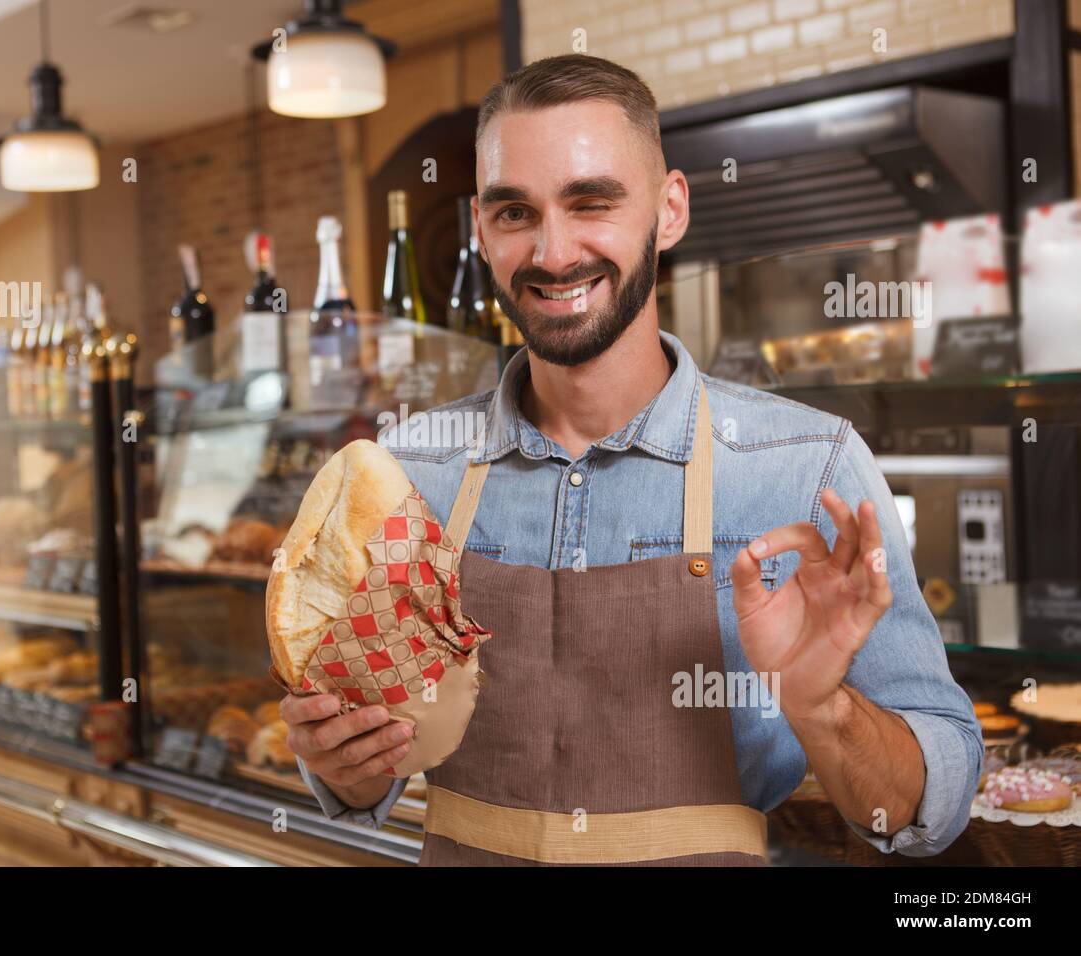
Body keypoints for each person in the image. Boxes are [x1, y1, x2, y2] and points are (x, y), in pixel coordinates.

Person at [281, 54, 981, 865]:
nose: (552, 251)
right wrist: (341, 761)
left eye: (591, 202)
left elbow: (926, 814)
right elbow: (374, 766)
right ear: (480, 227)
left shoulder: (805, 468)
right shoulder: (411, 471)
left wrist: (821, 707)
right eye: (516, 212)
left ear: (670, 208)